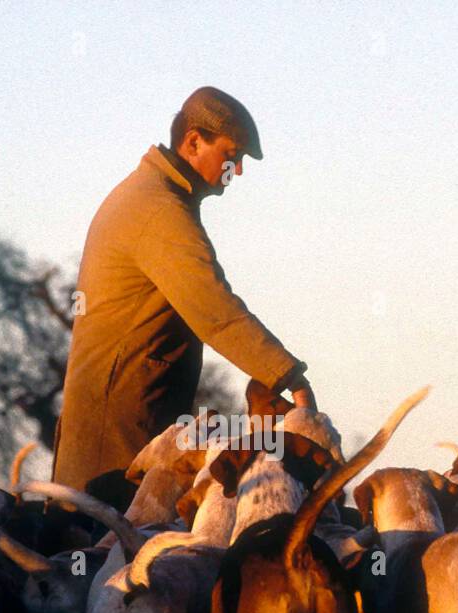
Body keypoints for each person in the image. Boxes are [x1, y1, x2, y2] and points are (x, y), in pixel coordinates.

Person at [51, 86, 313, 515]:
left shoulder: (155, 196)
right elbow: (217, 313)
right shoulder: (159, 210)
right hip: (118, 436)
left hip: (128, 420)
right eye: (233, 155)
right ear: (193, 142)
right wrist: (290, 380)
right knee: (111, 566)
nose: (238, 170)